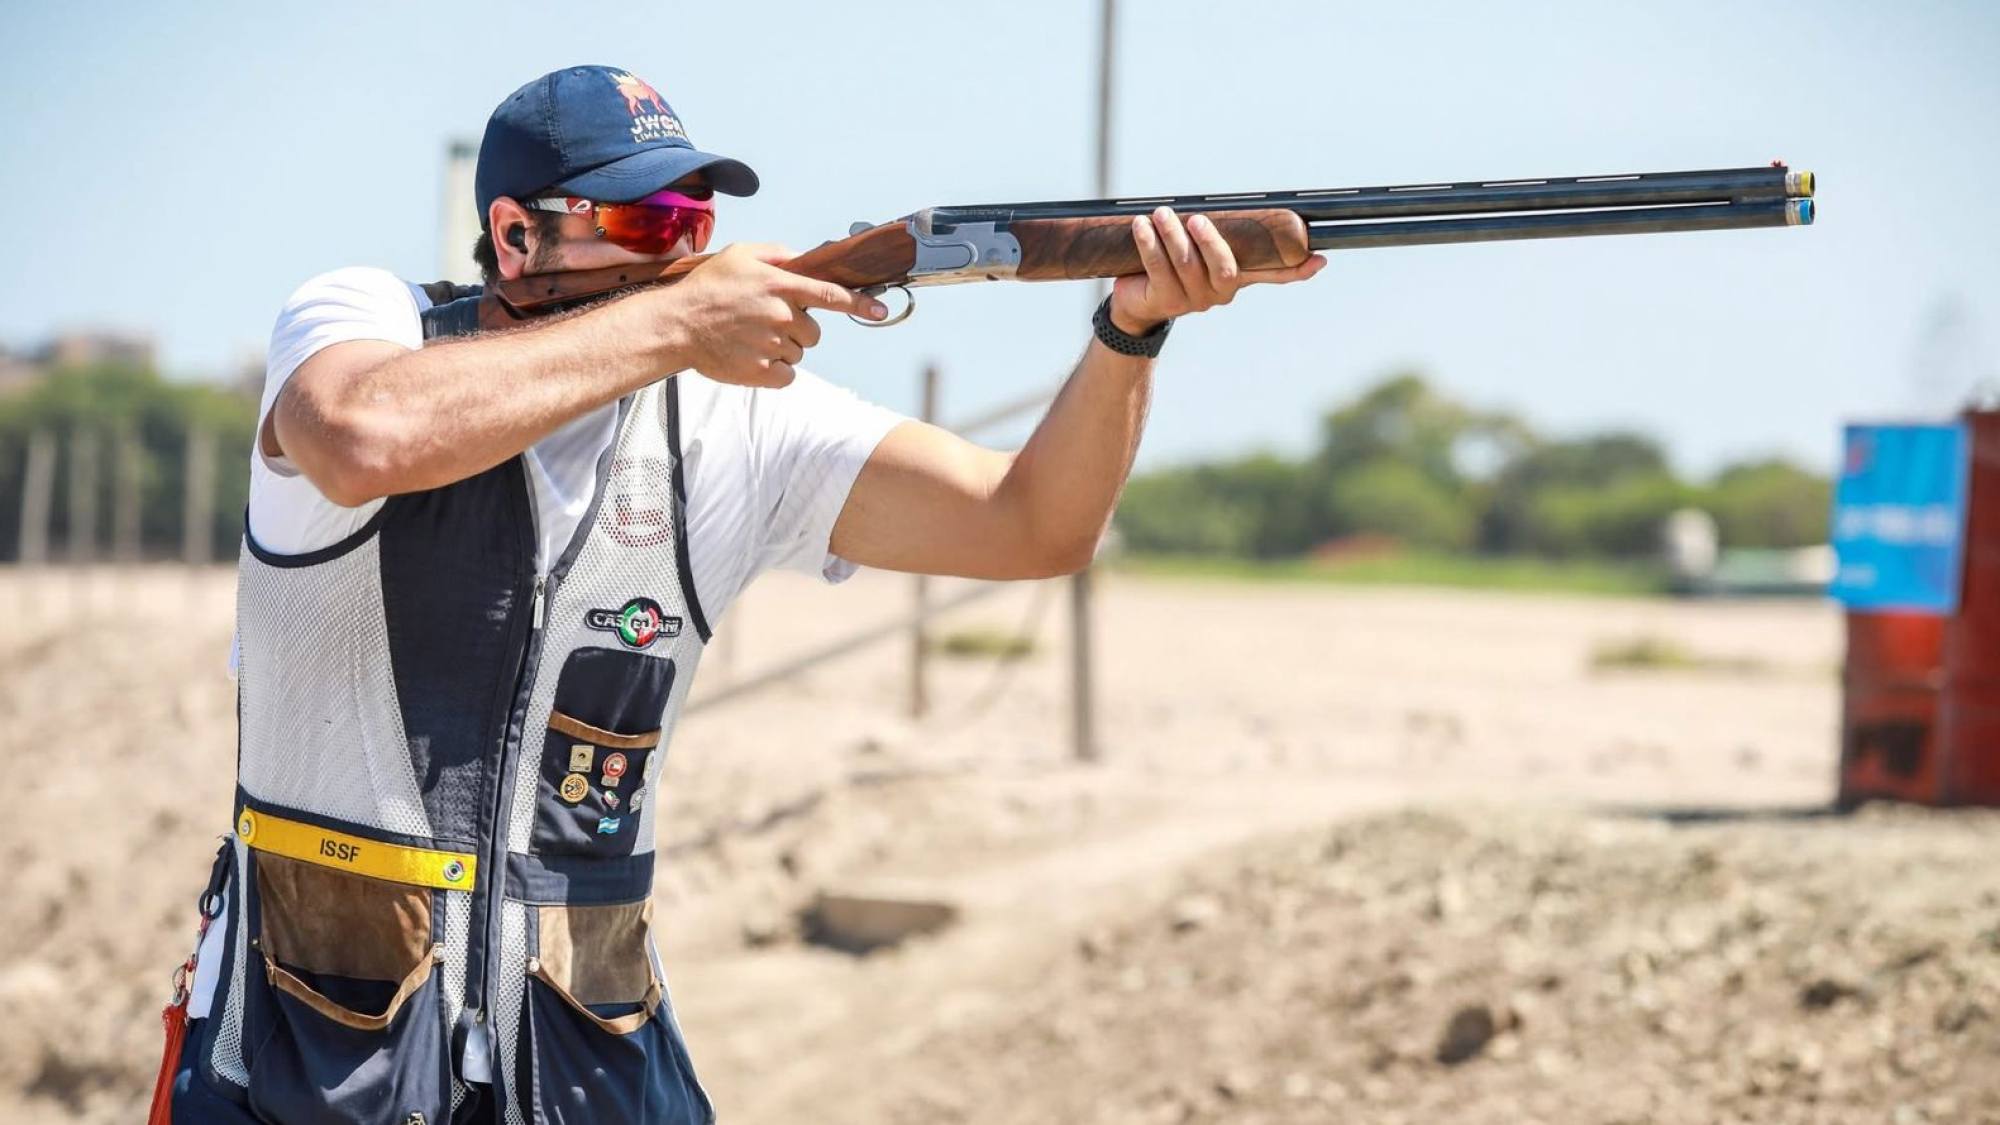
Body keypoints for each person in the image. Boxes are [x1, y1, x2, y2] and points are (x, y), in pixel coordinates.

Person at [162, 63, 1324, 1125]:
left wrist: (1128, 332)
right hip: (311, 1061)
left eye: (694, 221)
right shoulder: (364, 318)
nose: (679, 251)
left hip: (587, 1062)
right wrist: (678, 321)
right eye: (640, 220)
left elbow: (1032, 525)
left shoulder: (742, 420)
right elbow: (365, 437)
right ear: (512, 237)